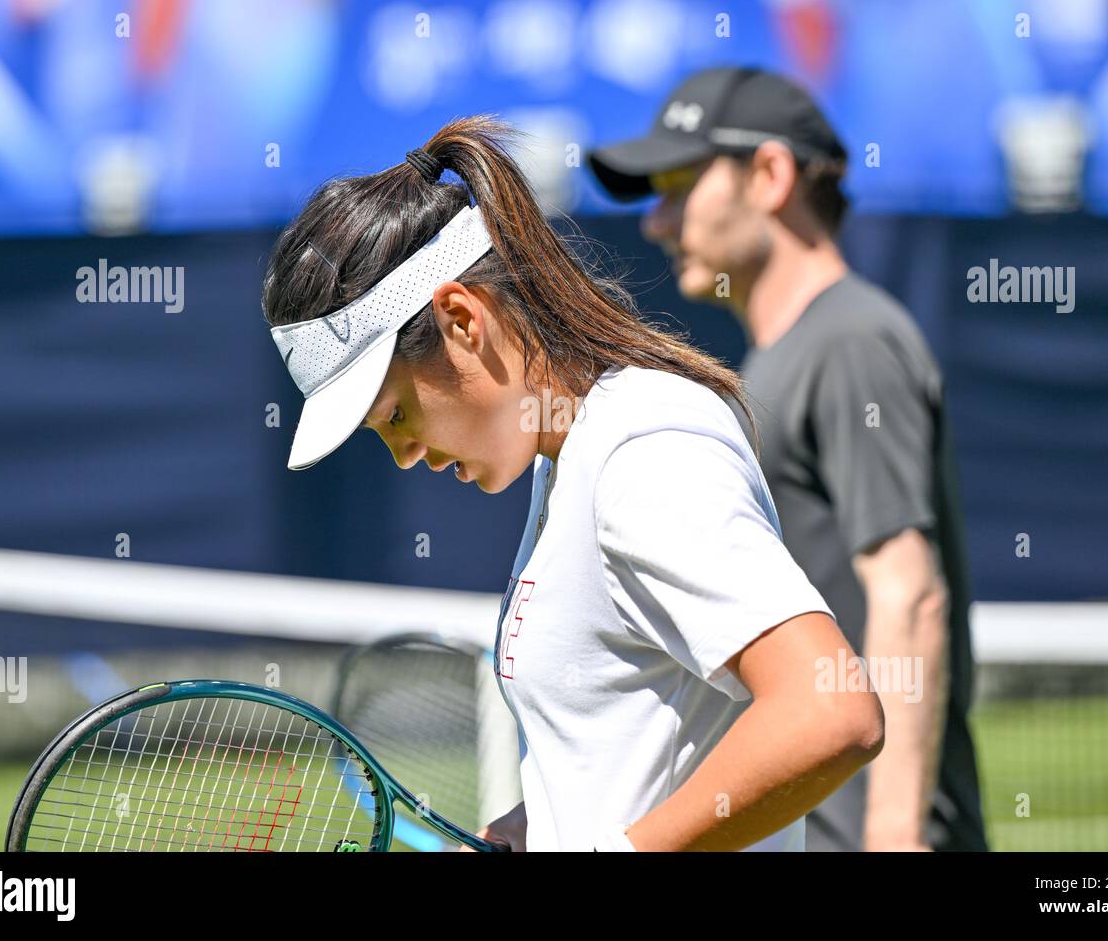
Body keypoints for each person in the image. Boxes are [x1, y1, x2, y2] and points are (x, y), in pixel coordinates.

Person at [261, 116, 883, 851]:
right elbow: (631, 765)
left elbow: (829, 711)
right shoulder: (568, 453)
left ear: (461, 319)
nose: (402, 455)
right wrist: (526, 833)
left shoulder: (643, 452)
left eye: (394, 414)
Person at [590, 66, 988, 852]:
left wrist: (890, 833)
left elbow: (909, 593)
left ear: (770, 175)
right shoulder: (784, 358)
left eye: (677, 185)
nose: (656, 222)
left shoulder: (850, 342)